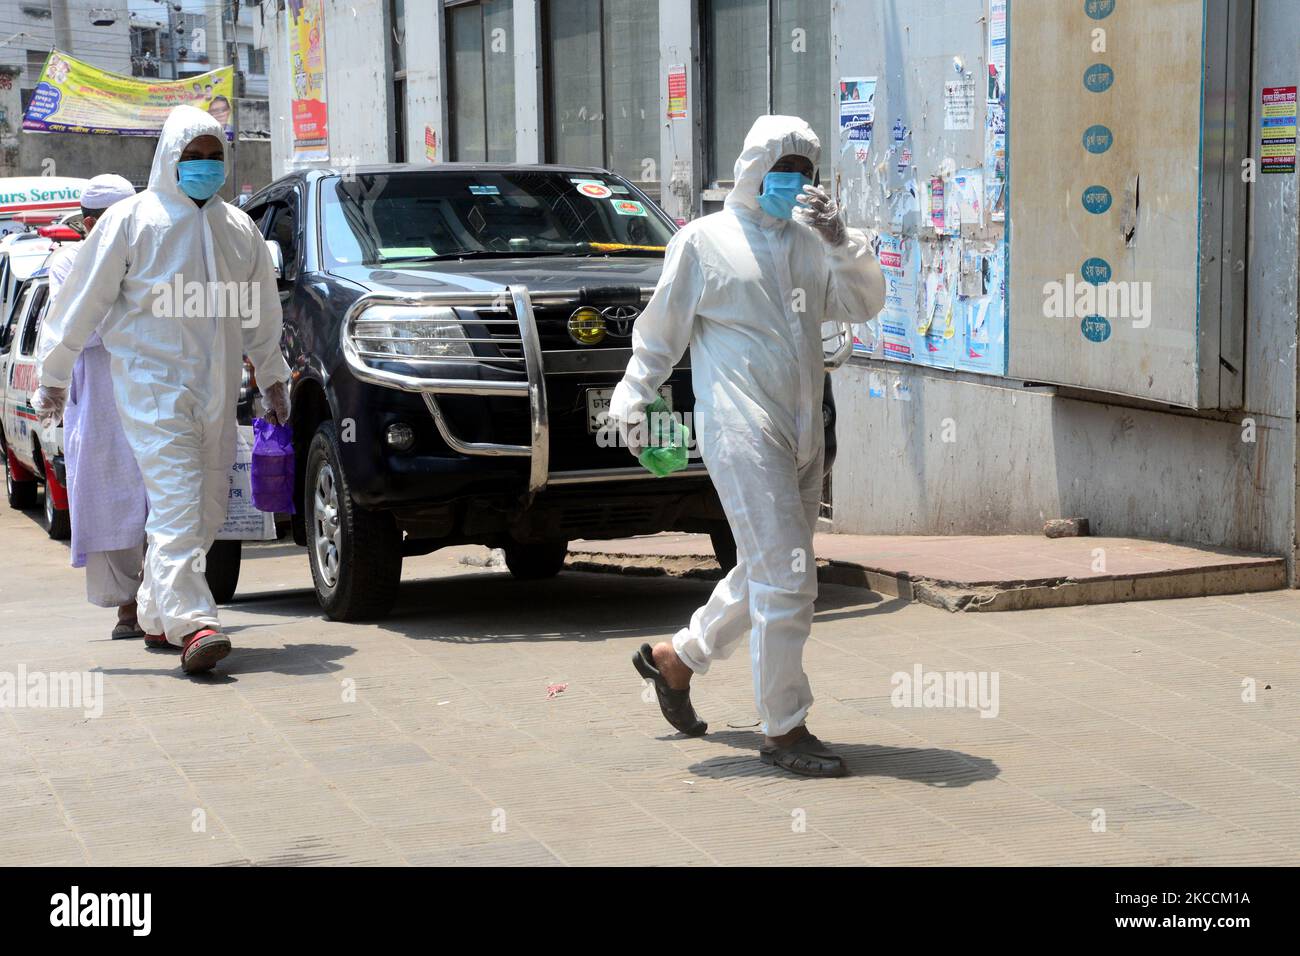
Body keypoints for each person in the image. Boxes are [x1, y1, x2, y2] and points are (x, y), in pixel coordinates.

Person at [615, 115, 885, 778]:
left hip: (802, 431)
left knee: (771, 567)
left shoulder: (810, 244)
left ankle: (678, 658)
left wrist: (841, 239)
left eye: (803, 173)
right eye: (780, 170)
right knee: (789, 580)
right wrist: (631, 401)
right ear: (752, 170)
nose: (791, 183)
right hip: (740, 430)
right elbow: (660, 333)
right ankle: (785, 729)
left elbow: (865, 302)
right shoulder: (703, 243)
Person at [33, 105, 291, 675]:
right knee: (176, 500)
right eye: (191, 157)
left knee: (206, 508)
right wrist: (54, 374)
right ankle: (195, 622)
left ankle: (153, 609)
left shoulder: (238, 228)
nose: (203, 167)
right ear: (169, 159)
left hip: (218, 388)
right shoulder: (132, 220)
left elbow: (260, 314)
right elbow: (82, 301)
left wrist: (272, 376)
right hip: (151, 387)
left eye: (213, 157)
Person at [44, 174, 148, 640]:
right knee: (111, 503)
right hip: (101, 404)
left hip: (154, 392)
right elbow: (81, 330)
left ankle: (163, 602)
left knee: (162, 500)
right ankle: (127, 606)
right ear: (90, 224)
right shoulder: (68, 262)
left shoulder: (151, 257)